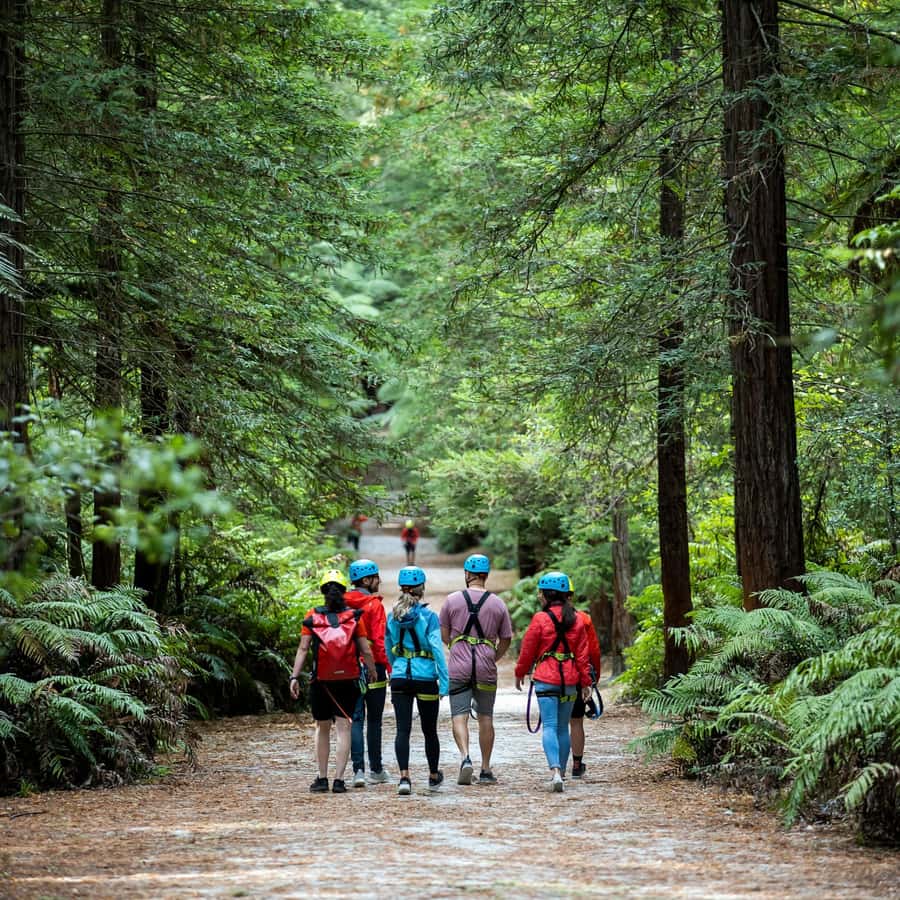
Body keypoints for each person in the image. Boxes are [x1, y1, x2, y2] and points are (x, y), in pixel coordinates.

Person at [289, 569, 376, 794]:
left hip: (321, 681)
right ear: (344, 591)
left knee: (323, 727)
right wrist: (372, 671)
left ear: (323, 592)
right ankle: (339, 780)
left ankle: (322, 778)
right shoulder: (355, 616)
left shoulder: (313, 616)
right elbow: (365, 650)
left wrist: (294, 676)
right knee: (344, 728)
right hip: (348, 680)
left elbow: (303, 648)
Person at [514, 571, 591, 793]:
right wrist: (586, 683)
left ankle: (555, 771)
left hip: (546, 679)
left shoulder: (540, 619)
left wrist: (520, 672)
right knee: (562, 728)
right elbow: (583, 655)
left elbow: (527, 650)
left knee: (549, 725)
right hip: (569, 680)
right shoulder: (577, 619)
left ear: (545, 595)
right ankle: (564, 773)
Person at [439, 553, 512, 785]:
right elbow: (507, 638)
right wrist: (493, 656)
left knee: (459, 716)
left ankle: (465, 757)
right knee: (485, 717)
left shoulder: (451, 600)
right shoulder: (498, 603)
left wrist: (456, 646)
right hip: (485, 666)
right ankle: (486, 768)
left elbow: (443, 634)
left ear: (467, 575)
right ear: (486, 575)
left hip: (459, 665)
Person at [386, 565, 449, 795]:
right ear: (421, 589)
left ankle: (404, 778)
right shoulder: (430, 617)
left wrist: (396, 670)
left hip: (401, 677)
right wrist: (444, 681)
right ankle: (433, 775)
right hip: (425, 678)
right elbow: (437, 650)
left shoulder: (392, 616)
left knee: (402, 730)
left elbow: (388, 649)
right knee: (429, 730)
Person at [344, 558, 390, 787]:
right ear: (366, 580)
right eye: (375, 577)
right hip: (373, 667)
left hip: (347, 668)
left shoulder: (341, 603)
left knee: (355, 719)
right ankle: (377, 769)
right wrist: (387, 668)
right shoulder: (374, 605)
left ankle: (358, 771)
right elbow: (380, 642)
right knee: (374, 720)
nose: (378, 581)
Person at [569, 602, 602, 778]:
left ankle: (557, 766)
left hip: (552, 677)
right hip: (578, 676)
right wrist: (593, 677)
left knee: (557, 724)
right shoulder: (584, 619)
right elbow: (593, 651)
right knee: (576, 721)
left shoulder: (544, 618)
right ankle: (576, 764)